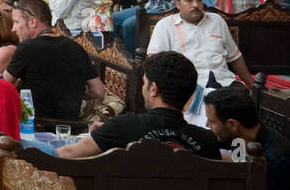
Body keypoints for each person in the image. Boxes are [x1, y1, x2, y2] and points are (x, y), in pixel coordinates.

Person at [59, 51, 221, 160]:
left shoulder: (122, 127)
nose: (143, 88)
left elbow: (68, 153)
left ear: (153, 89)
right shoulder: (207, 141)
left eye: (144, 83)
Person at [146, 0, 256, 122]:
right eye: (189, 1)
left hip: (225, 83)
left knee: (246, 111)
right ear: (178, 4)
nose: (196, 4)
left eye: (199, 0)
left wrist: (253, 86)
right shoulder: (165, 26)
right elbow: (155, 63)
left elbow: (235, 56)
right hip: (190, 88)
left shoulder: (217, 21)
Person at [5, 0, 106, 123]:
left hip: (35, 127)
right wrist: (73, 91)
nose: (13, 29)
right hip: (71, 127)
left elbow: (2, 86)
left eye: (16, 22)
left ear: (32, 22)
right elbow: (99, 91)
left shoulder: (26, 49)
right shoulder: (76, 47)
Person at [203, 86, 289, 190]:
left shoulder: (276, 158)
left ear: (232, 124)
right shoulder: (240, 136)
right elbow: (240, 160)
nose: (207, 124)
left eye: (212, 121)